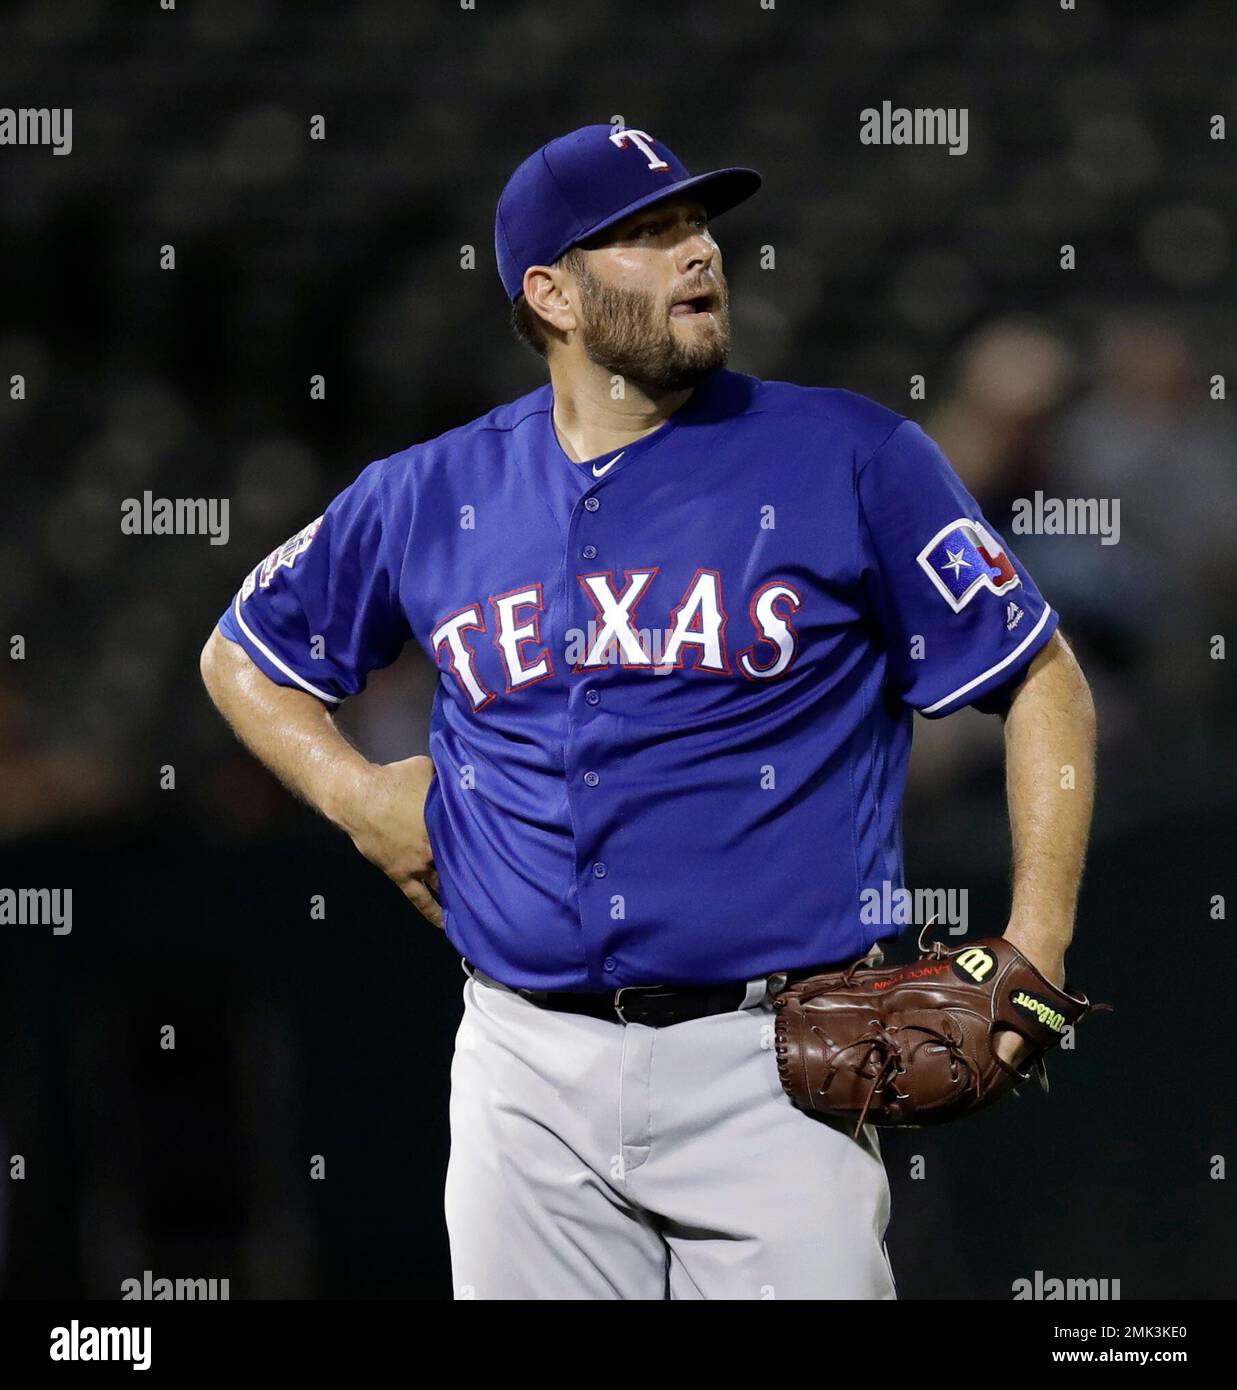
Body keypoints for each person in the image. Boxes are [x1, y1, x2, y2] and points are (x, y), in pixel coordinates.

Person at [199, 124, 1096, 1300]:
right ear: (550, 293)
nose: (695, 253)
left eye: (696, 225)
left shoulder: (850, 454)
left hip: (776, 1065)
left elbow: (1039, 677)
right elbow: (242, 656)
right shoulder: (431, 491)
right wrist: (353, 793)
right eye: (645, 233)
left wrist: (1036, 942)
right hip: (524, 1064)